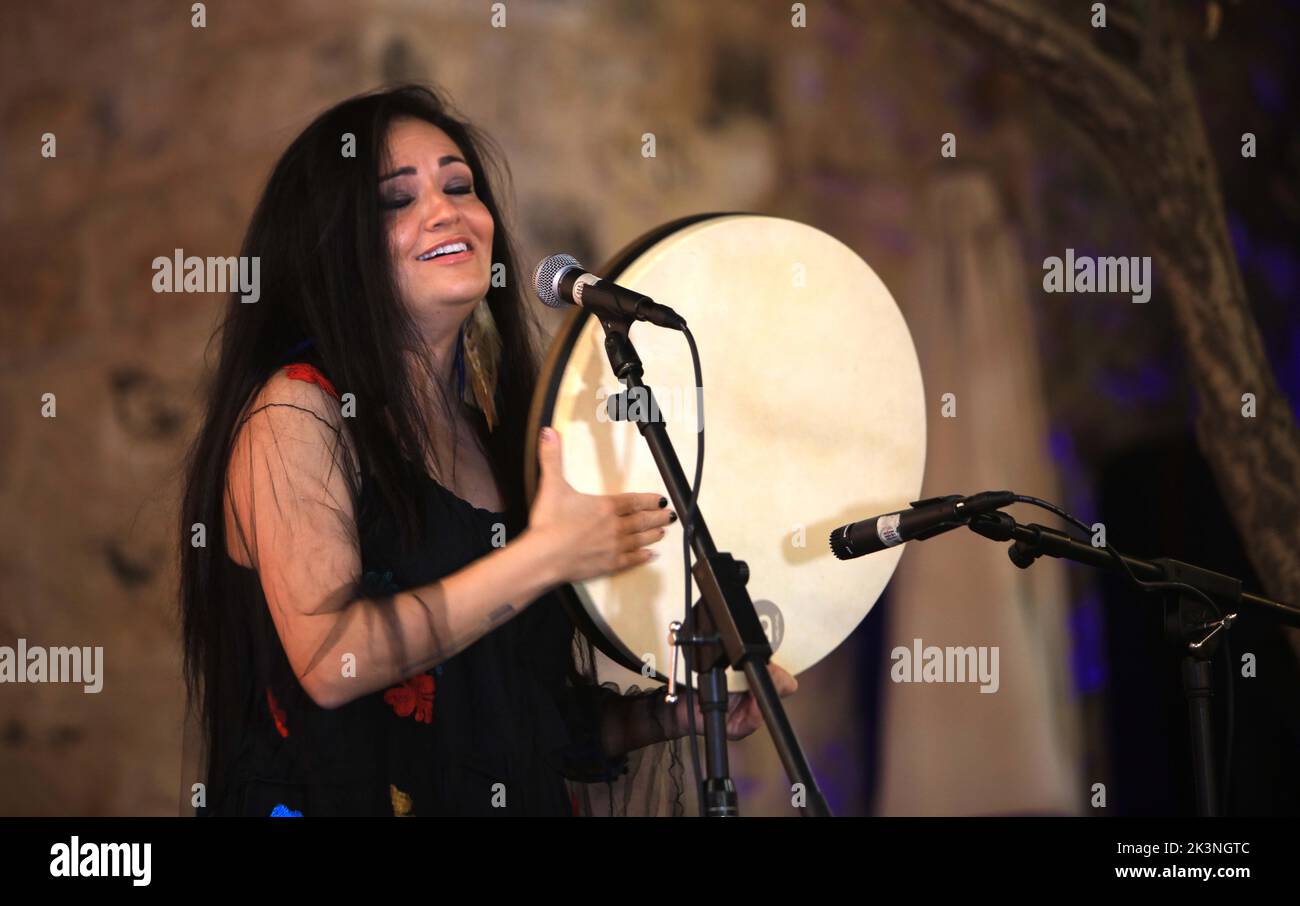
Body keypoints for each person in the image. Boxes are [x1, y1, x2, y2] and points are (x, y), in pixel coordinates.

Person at [178, 84, 795, 817]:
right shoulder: (297, 409)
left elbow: (526, 714)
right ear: (330, 245)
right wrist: (546, 556)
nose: (447, 212)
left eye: (460, 186)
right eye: (395, 200)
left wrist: (676, 715)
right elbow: (330, 659)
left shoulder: (498, 431)